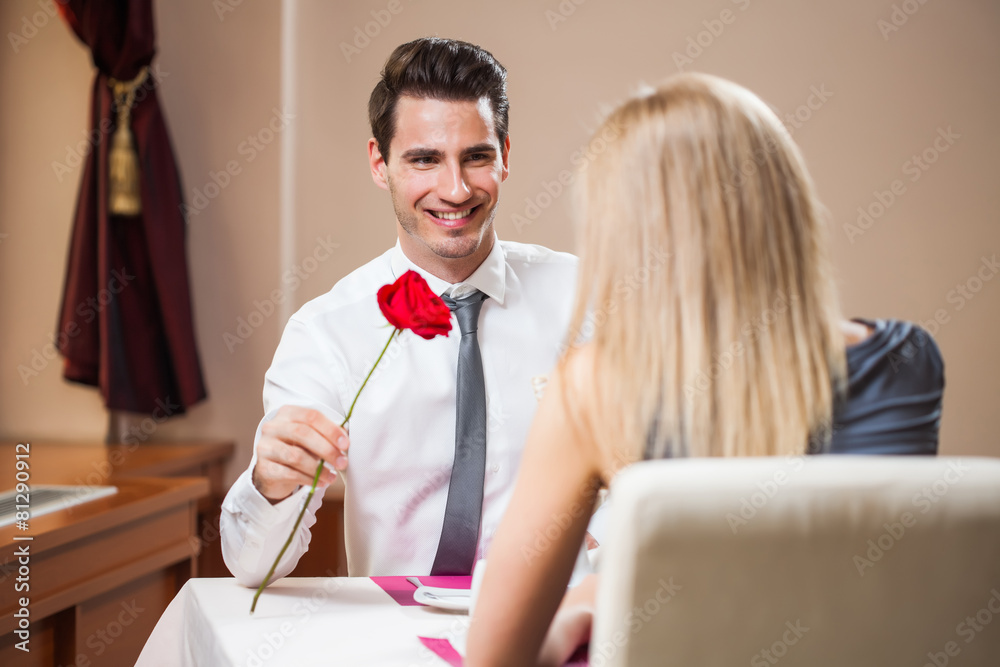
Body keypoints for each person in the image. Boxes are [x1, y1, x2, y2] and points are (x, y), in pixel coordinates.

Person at [465, 73, 945, 666]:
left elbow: (497, 657)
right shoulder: (908, 359)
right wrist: (594, 597)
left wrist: (579, 610)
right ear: (785, 206)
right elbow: (832, 589)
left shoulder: (594, 388)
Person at [220, 38, 584, 581]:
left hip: (558, 636)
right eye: (424, 159)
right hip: (394, 643)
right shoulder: (325, 333)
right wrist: (269, 485)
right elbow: (254, 568)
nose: (455, 189)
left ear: (505, 157)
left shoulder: (586, 297)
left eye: (476, 156)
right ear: (380, 163)